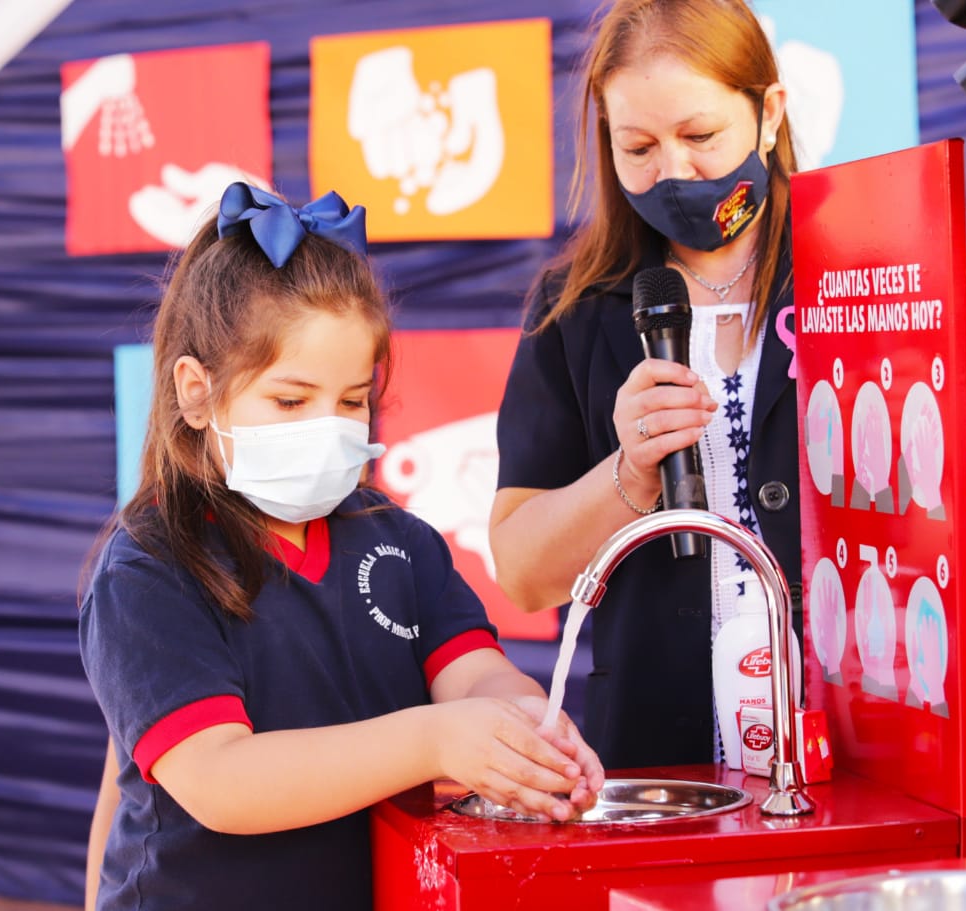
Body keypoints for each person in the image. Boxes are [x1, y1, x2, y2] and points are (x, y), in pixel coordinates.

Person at [488, 0, 966, 856]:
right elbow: (524, 573)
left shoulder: (882, 262)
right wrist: (626, 475)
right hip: (658, 781)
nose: (673, 172)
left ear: (769, 112)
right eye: (637, 148)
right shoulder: (576, 311)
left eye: (700, 135)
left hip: (871, 771)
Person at [78, 181, 603, 911]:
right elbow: (222, 780)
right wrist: (435, 741)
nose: (328, 427)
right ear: (196, 391)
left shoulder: (402, 544)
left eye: (352, 400)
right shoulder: (151, 568)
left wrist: (521, 727)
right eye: (291, 400)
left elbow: (474, 674)